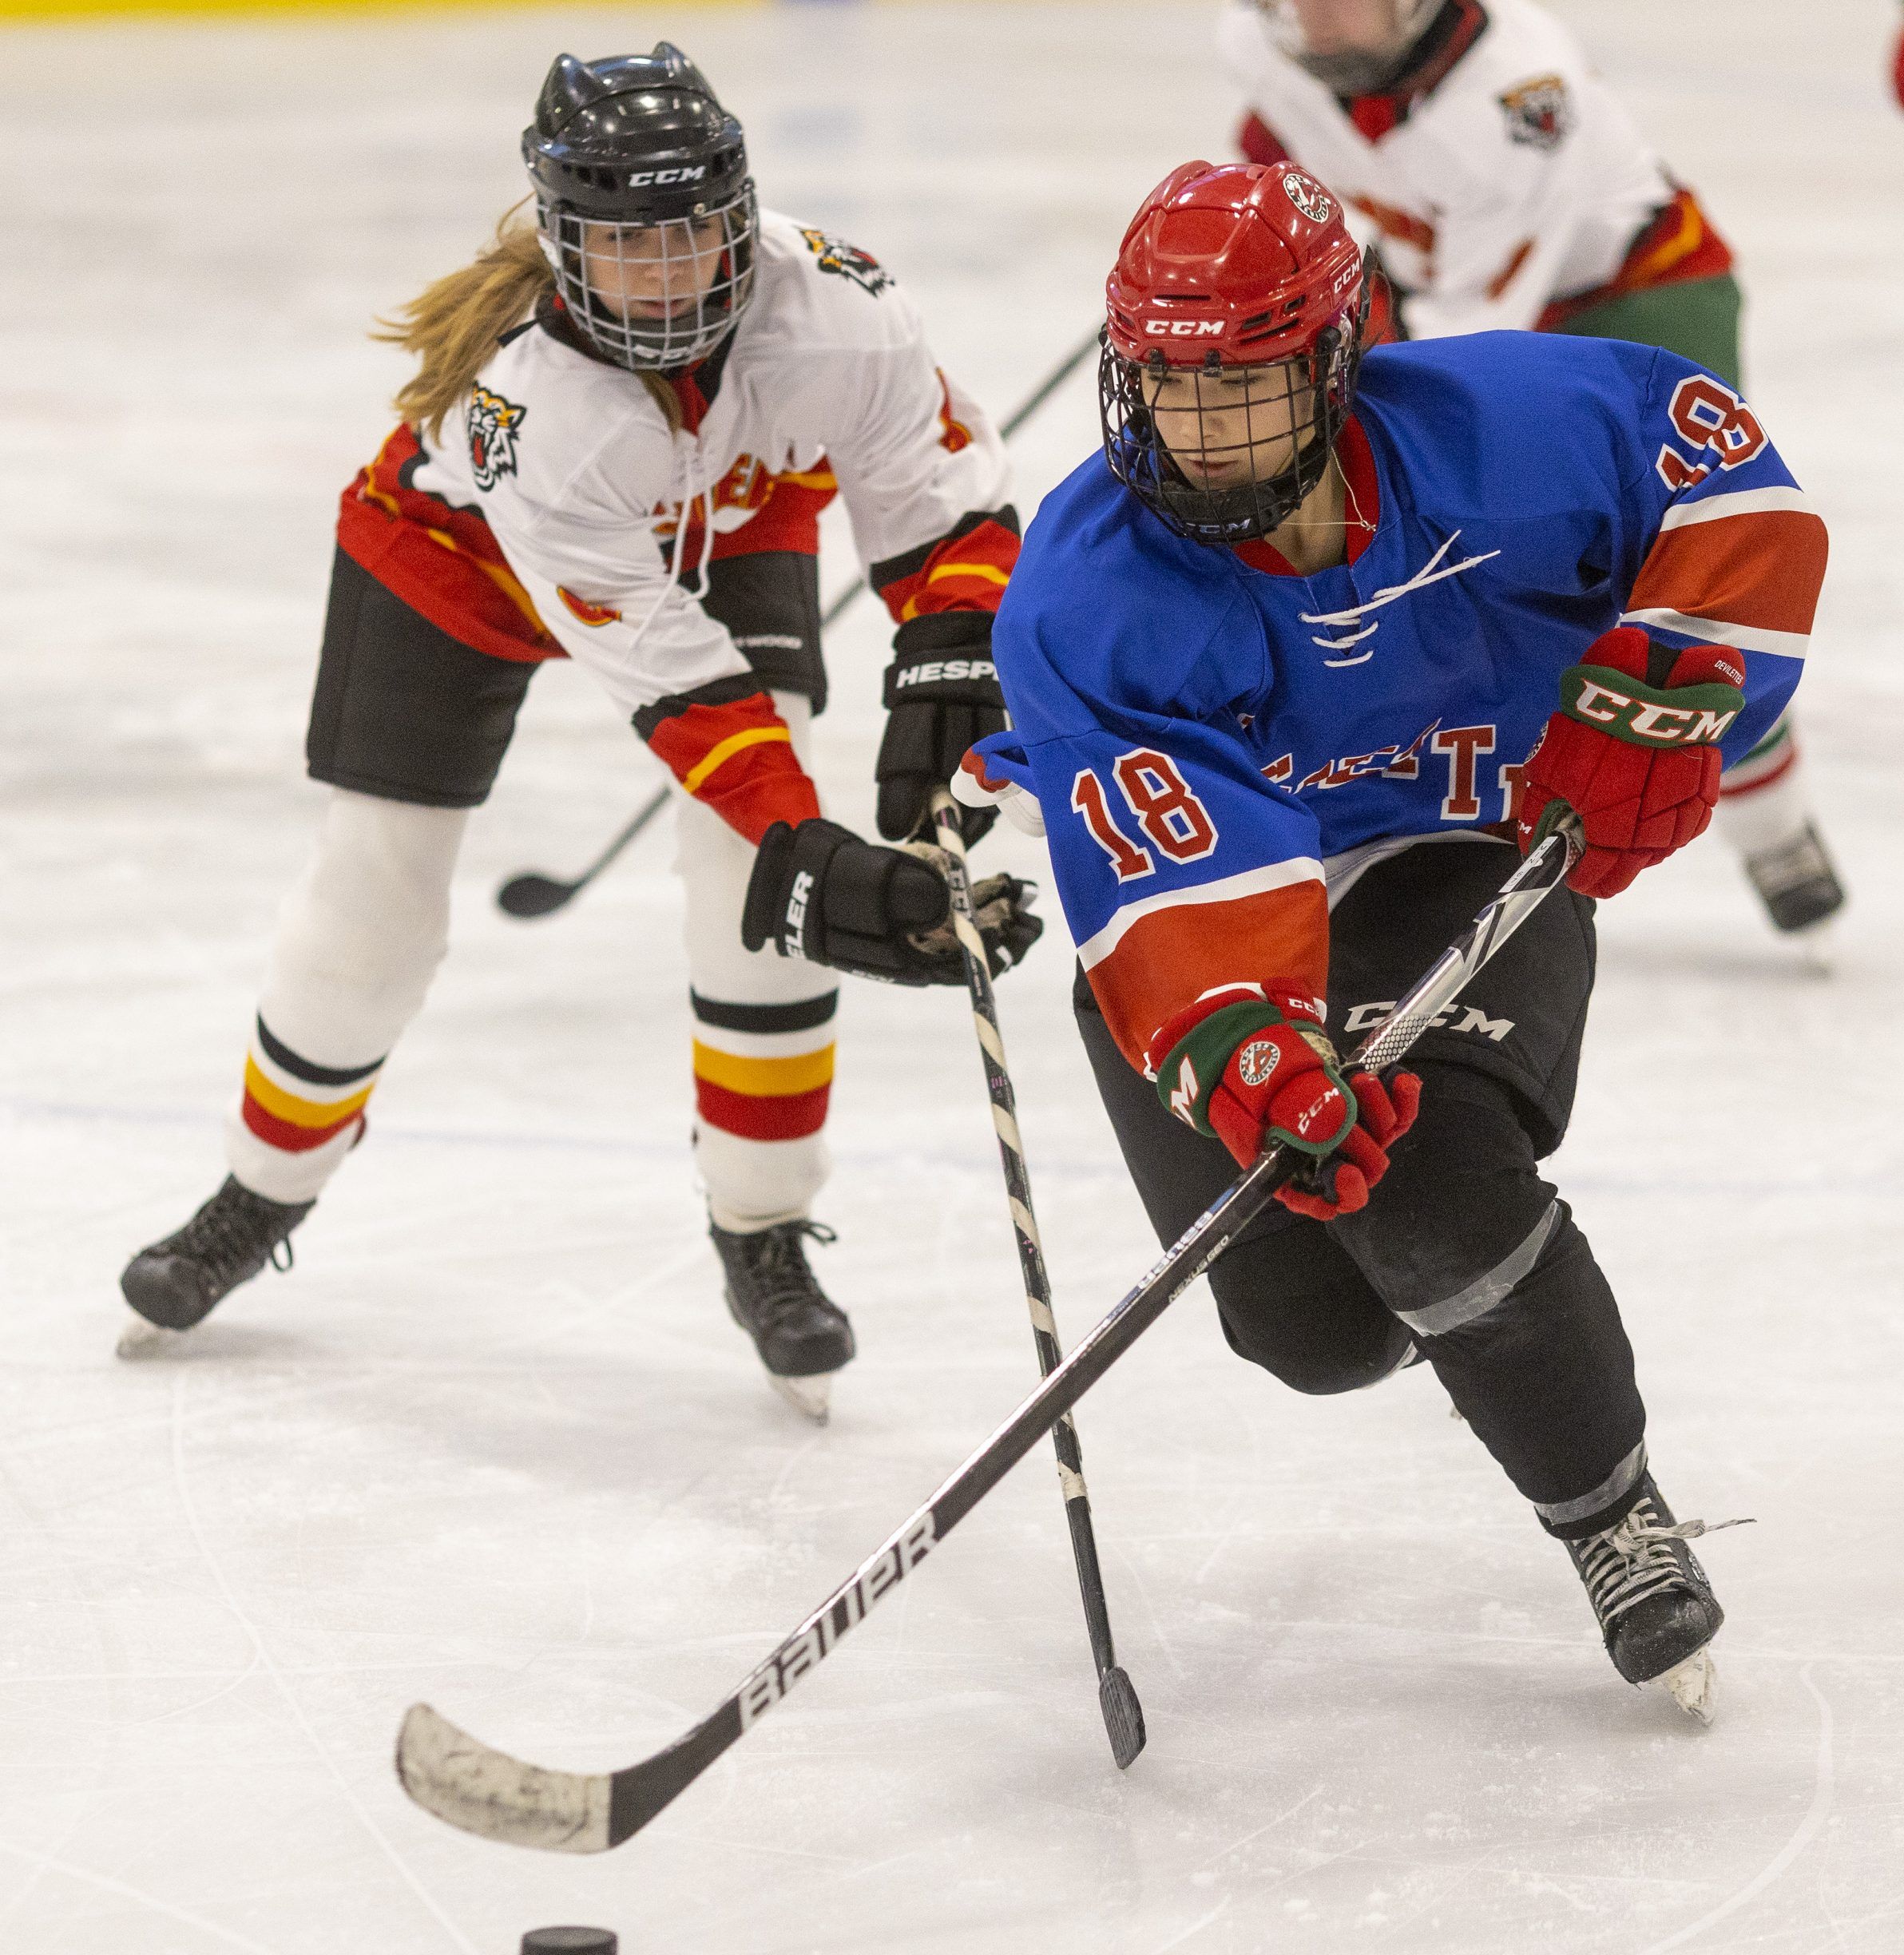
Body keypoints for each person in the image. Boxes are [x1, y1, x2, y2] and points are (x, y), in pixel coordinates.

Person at [963, 160, 1827, 1716]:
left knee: (1428, 1188)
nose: (1196, 432)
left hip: (1471, 838)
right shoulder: (1085, 597)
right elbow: (1173, 888)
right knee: (1313, 1333)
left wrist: (1667, 679)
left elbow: (1728, 474)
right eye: (1164, 385)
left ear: (1337, 354)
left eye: (1243, 389)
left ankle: (1604, 1502)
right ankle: (1468, 1316)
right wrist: (1246, 1043)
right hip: (1216, 915)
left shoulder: (1505, 437)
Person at [118, 46, 1039, 1418]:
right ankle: (261, 1191)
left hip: (725, 516)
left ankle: (763, 1227)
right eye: (623, 248)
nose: (664, 277)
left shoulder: (841, 305)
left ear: (740, 217)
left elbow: (938, 504)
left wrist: (953, 649)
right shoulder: (524, 407)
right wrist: (809, 845)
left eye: (687, 237)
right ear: (560, 246)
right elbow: (678, 683)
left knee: (748, 897)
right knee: (376, 899)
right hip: (452, 556)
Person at [1216, 0, 1846, 939]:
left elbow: (1477, 356)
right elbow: (1271, 151)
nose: (1314, 18)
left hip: (1635, 299)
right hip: (1461, 277)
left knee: (1680, 578)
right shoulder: (1256, 42)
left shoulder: (1517, 101)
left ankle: (1770, 823)